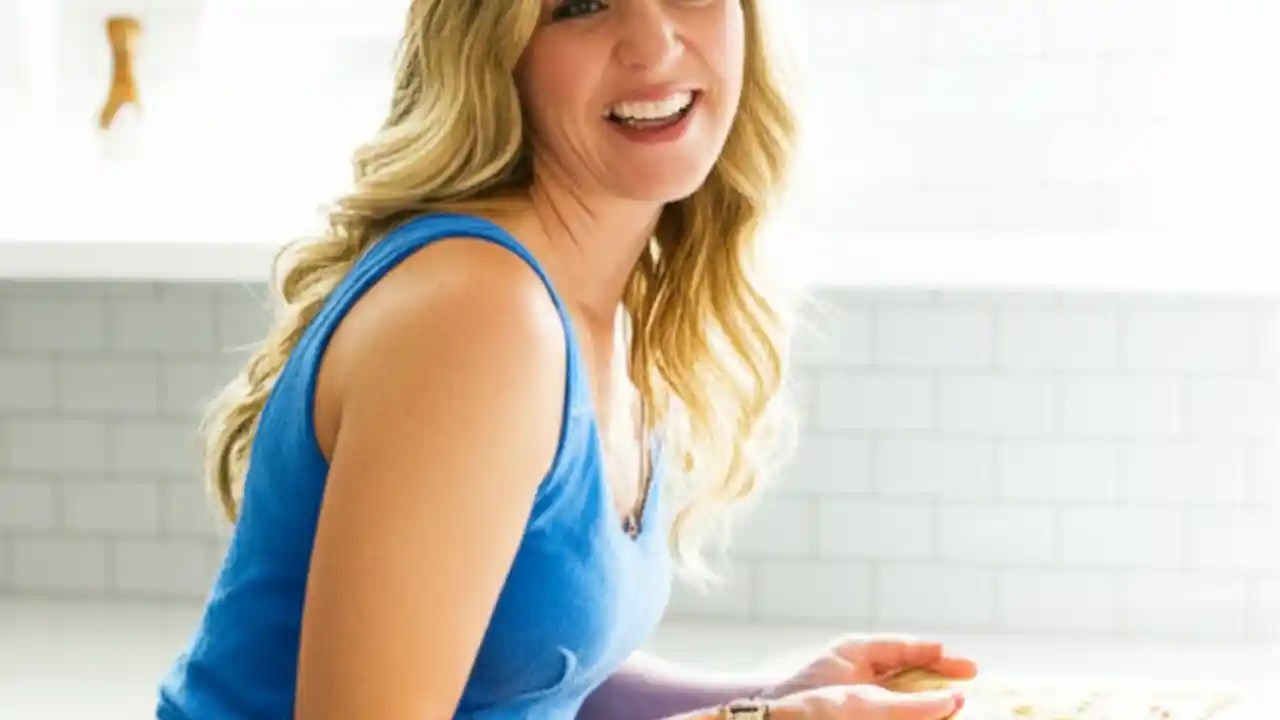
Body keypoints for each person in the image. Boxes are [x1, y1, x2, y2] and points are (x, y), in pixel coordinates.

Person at [155, 0, 979, 718]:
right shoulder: (478, 316)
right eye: (580, 3)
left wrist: (770, 695)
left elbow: (529, 673)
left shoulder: (596, 300)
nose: (654, 45)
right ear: (494, 49)